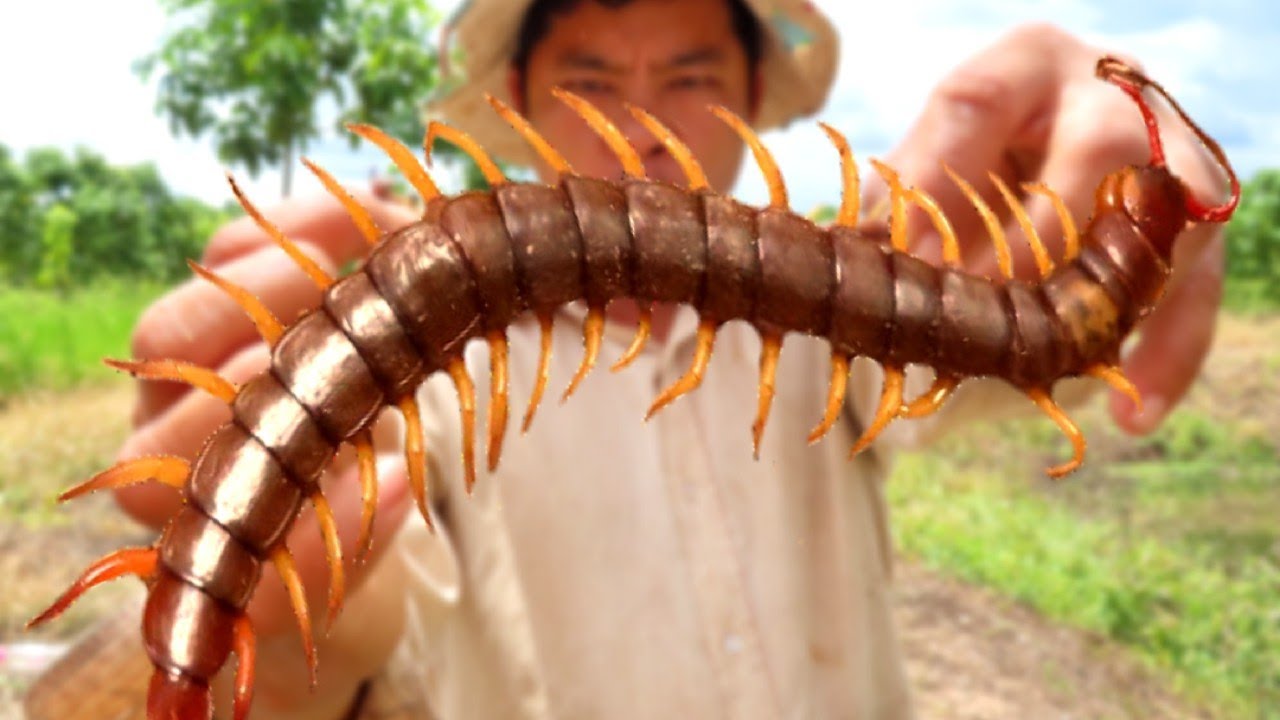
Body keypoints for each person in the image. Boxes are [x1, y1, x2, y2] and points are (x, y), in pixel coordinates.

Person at [94, 0, 1227, 718]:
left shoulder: (842, 325)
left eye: (688, 76)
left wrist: (1089, 162)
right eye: (588, 79)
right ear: (517, 108)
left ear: (749, 107)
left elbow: (1064, 350)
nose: (639, 122)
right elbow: (359, 635)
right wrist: (298, 641)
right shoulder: (434, 395)